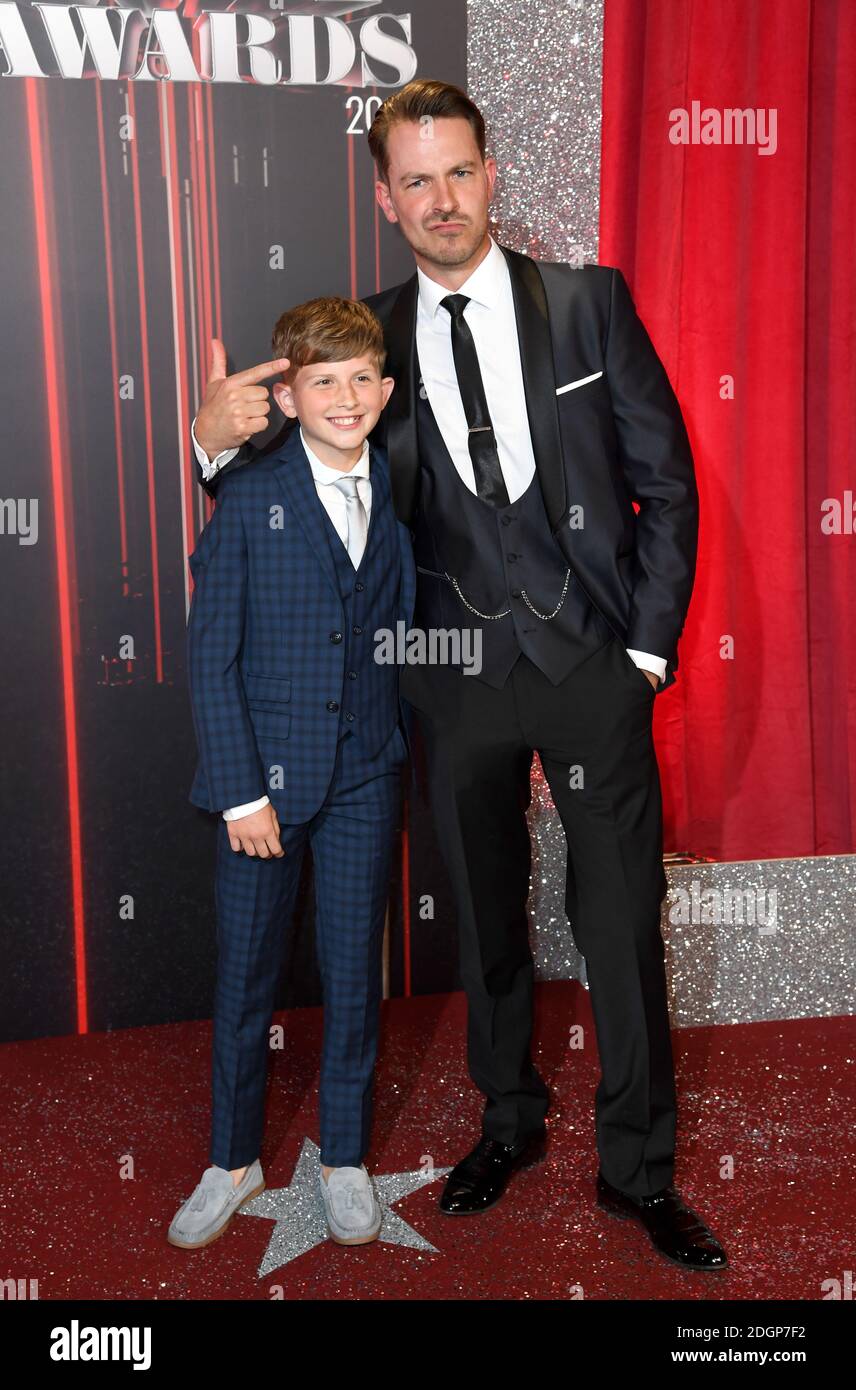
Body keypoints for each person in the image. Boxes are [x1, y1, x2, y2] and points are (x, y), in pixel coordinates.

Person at [188, 80, 728, 1271]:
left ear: (492, 174)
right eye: (415, 179)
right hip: (450, 672)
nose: (441, 198)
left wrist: (642, 650)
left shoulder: (588, 306)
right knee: (484, 919)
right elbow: (274, 489)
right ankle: (508, 1123)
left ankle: (639, 1169)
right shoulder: (362, 341)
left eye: (459, 171)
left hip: (590, 660)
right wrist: (211, 438)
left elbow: (668, 481)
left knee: (619, 922)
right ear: (386, 197)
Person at [168, 296, 415, 1250]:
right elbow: (210, 655)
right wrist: (239, 791)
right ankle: (234, 1160)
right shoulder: (249, 499)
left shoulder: (392, 484)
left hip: (364, 775)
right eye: (322, 381)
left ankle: (346, 1155)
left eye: (361, 380)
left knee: (355, 975)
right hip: (261, 790)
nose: (345, 397)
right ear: (290, 395)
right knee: (246, 982)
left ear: (385, 391)